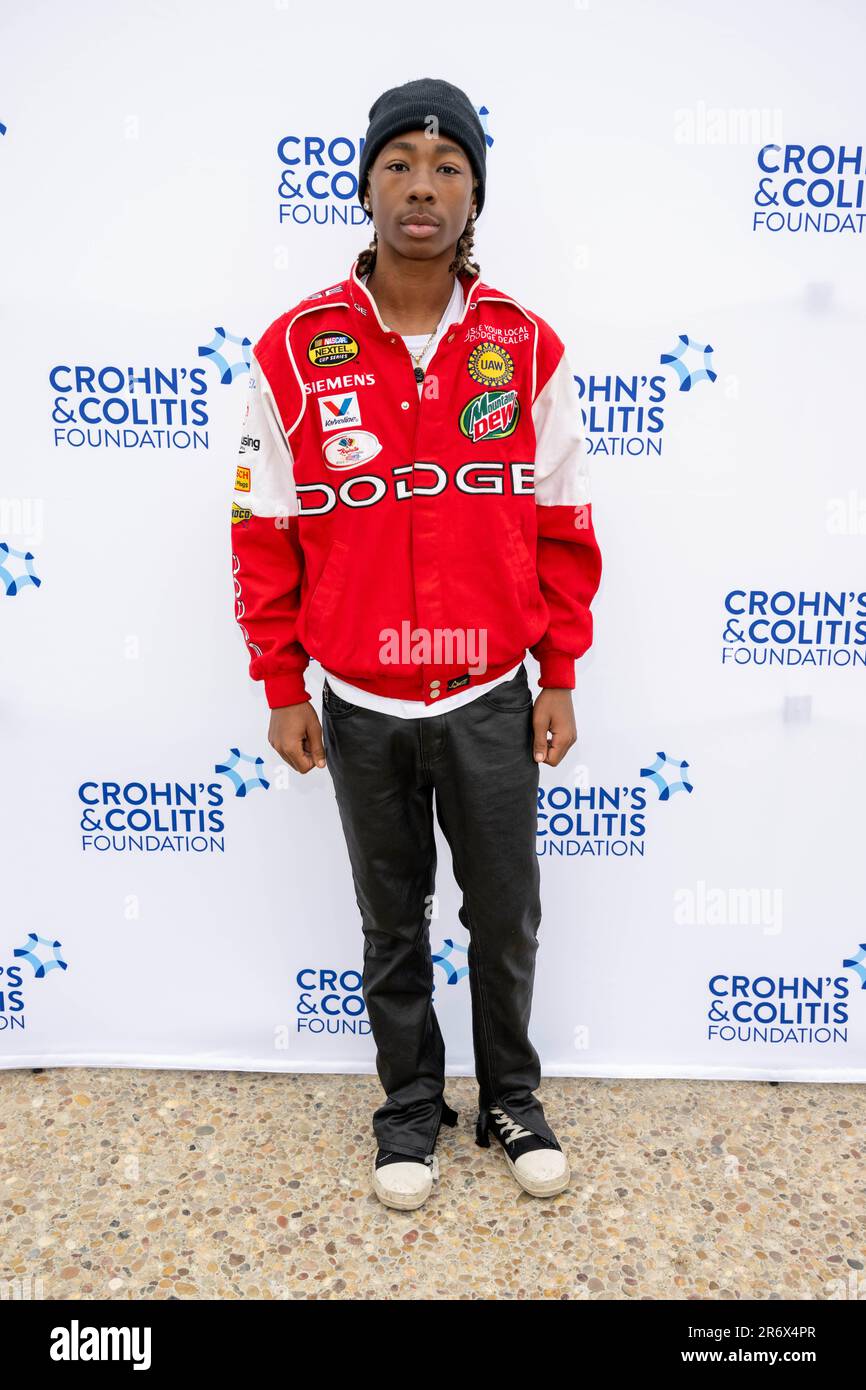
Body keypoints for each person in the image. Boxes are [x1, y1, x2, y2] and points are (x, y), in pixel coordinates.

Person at [230, 78, 602, 1211]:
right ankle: (407, 1106)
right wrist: (282, 680)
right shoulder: (295, 349)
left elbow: (561, 517)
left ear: (474, 193)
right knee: (391, 922)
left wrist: (559, 671)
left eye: (446, 168)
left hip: (490, 691)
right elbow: (262, 528)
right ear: (367, 187)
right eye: (398, 166)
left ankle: (511, 1098)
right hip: (360, 699)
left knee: (505, 916)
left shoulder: (522, 345)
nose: (422, 187)